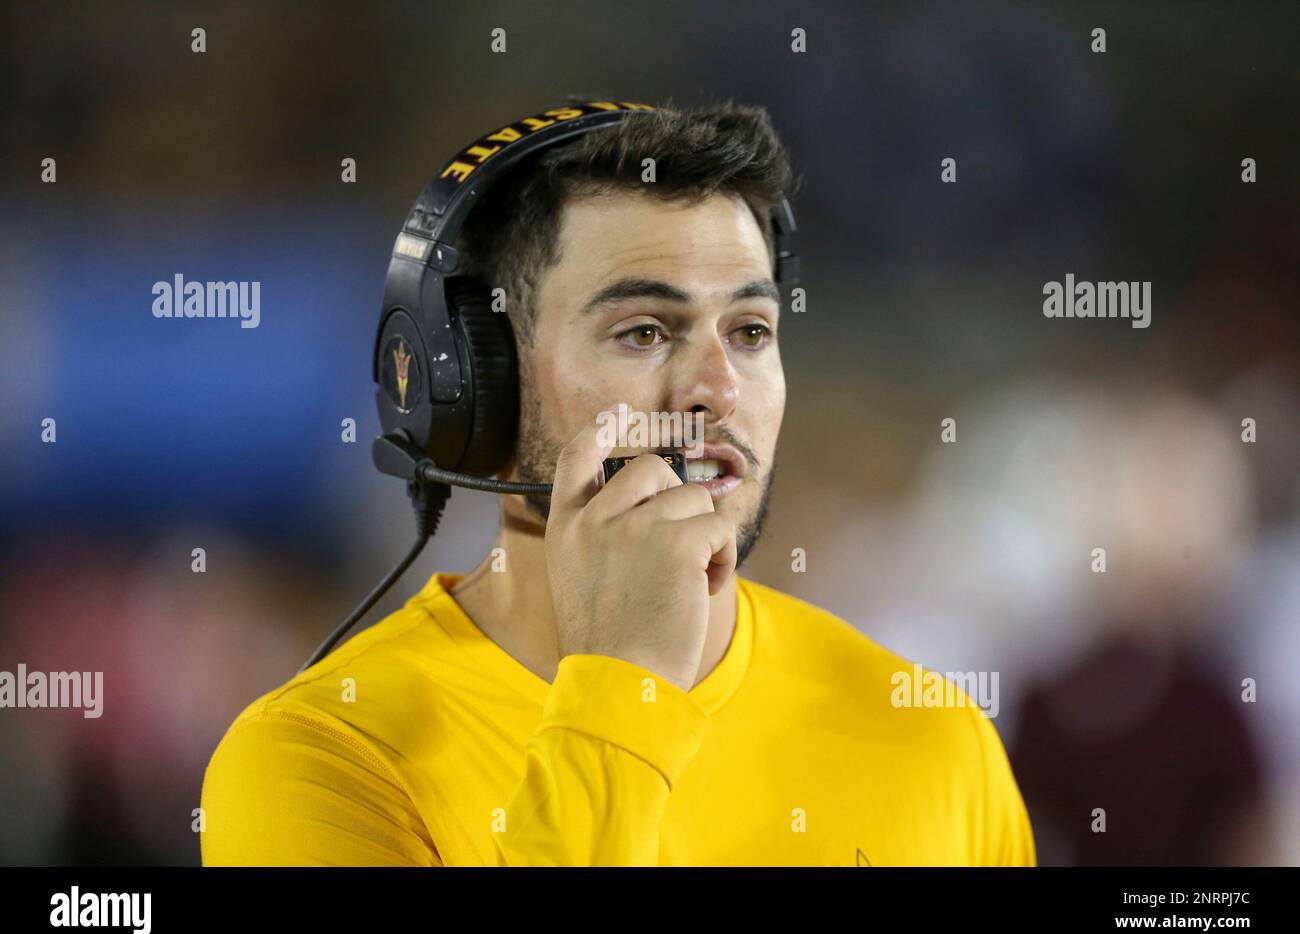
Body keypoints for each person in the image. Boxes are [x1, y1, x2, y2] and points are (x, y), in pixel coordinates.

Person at [200, 101, 1035, 866]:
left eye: (749, 330)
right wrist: (624, 685)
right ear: (478, 388)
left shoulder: (932, 736)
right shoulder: (319, 759)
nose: (718, 387)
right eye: (643, 331)